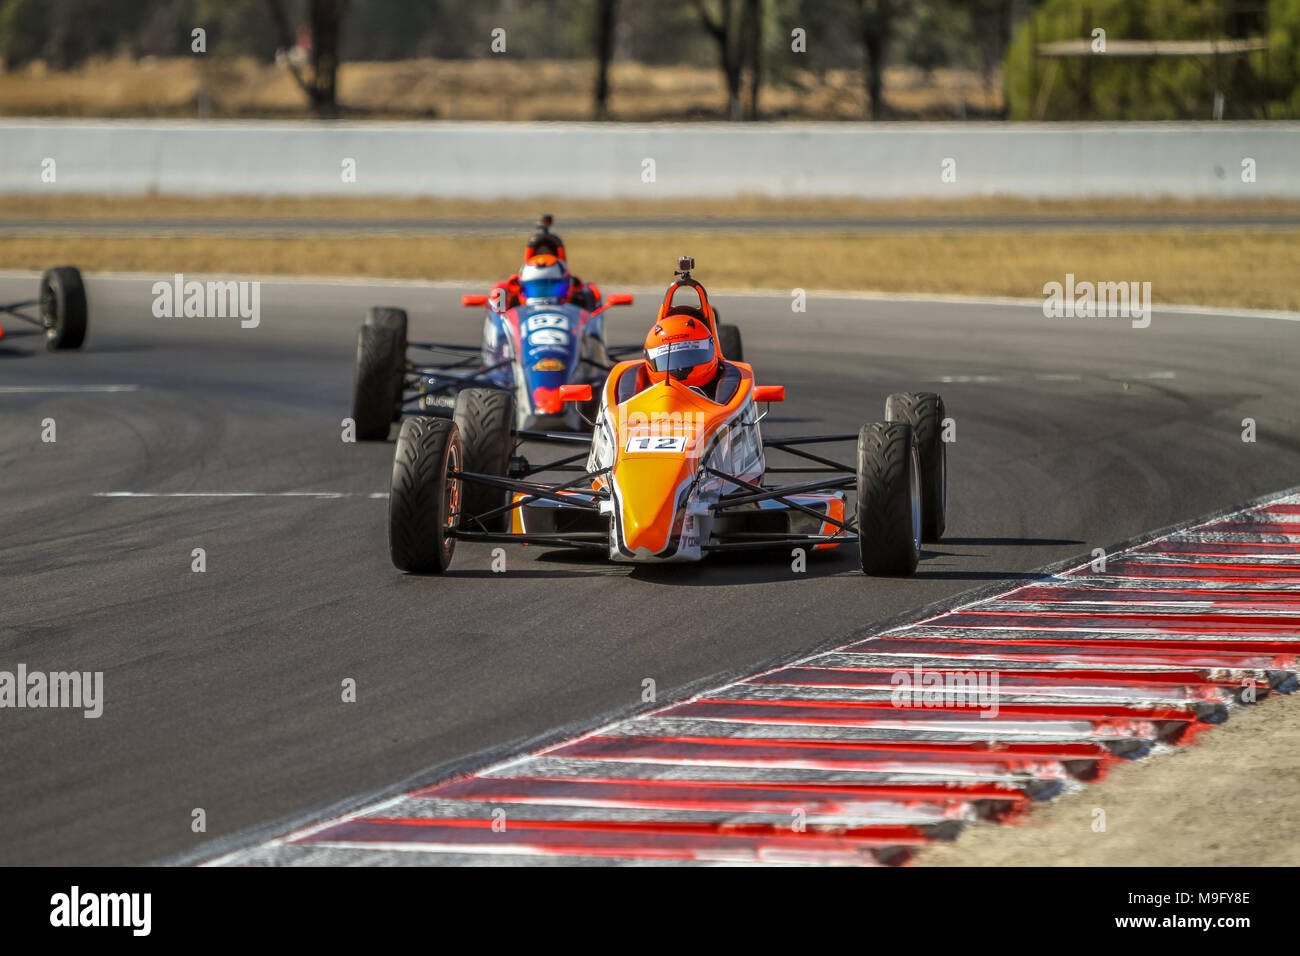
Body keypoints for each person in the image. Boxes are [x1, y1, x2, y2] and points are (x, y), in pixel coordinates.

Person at [489, 216, 599, 310]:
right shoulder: (507, 292)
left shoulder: (580, 292)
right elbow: (499, 322)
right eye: (535, 290)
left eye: (553, 289)